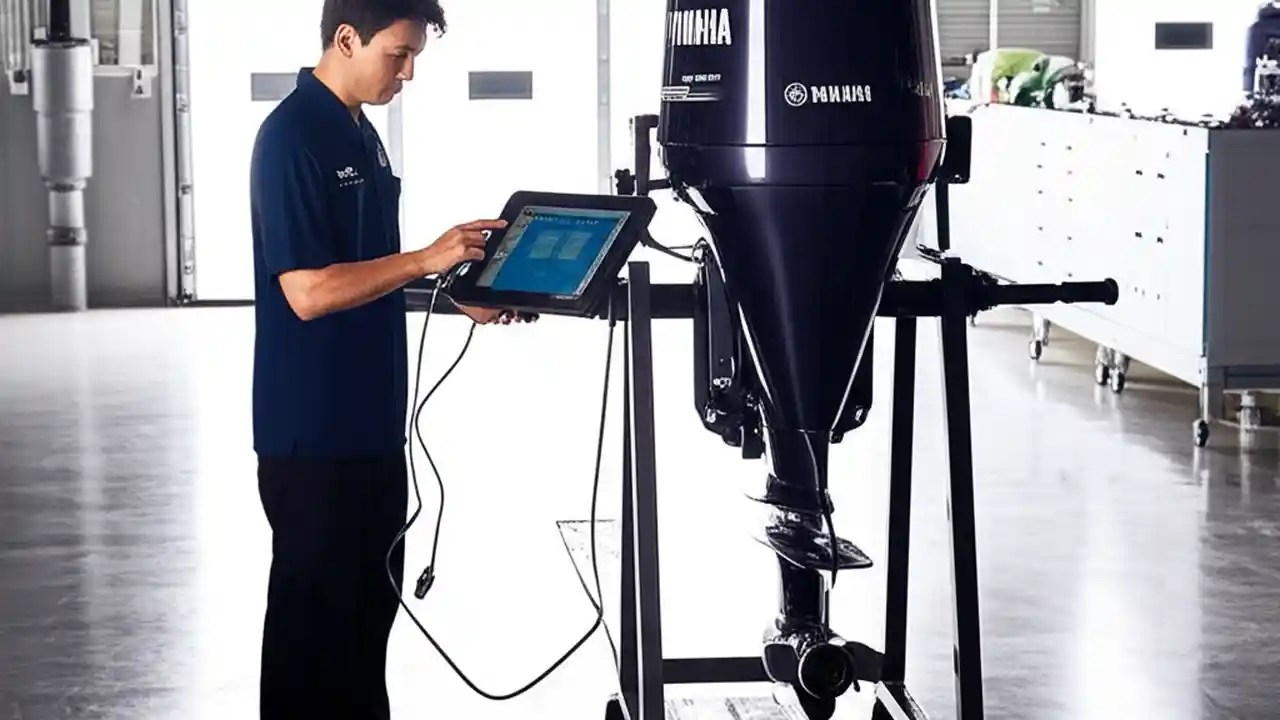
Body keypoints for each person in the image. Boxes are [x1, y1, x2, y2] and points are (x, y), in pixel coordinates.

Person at [248, 1, 521, 716]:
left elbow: (367, 274)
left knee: (366, 630)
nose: (407, 73)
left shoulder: (360, 134)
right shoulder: (291, 139)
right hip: (313, 438)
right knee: (314, 645)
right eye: (398, 55)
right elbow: (307, 291)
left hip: (371, 431)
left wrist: (451, 291)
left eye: (415, 59)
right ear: (346, 38)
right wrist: (427, 256)